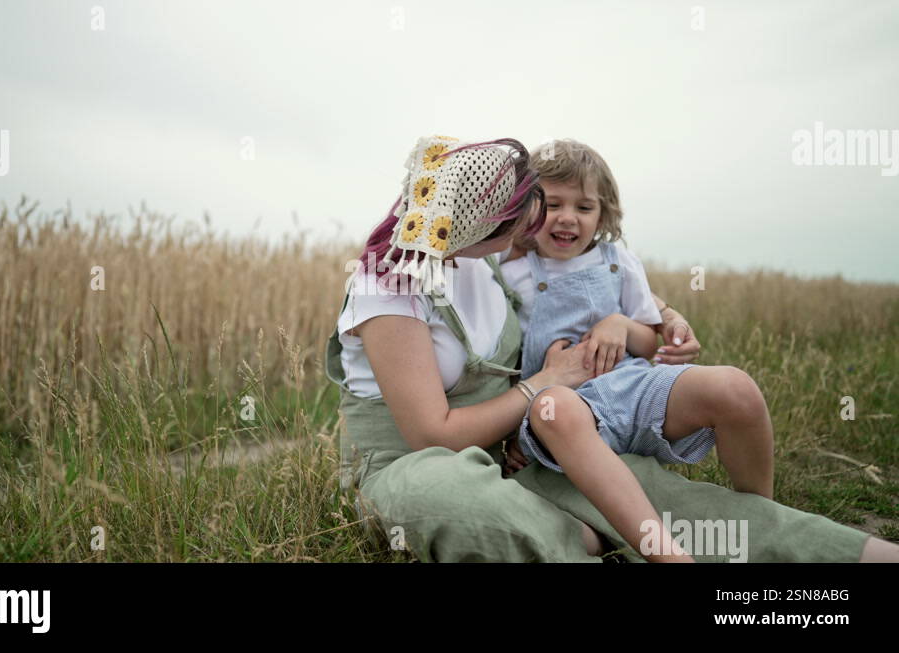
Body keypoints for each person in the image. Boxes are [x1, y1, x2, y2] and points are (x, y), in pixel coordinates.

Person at [324, 134, 897, 562]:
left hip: (520, 447)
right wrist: (541, 387)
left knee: (658, 494)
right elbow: (434, 435)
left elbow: (597, 277)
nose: (538, 229)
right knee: (464, 505)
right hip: (420, 461)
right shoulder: (390, 285)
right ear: (480, 228)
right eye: (520, 224)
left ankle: (854, 554)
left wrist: (665, 316)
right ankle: (581, 536)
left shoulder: (485, 258)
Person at [498, 139, 773, 562]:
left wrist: (621, 324)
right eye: (552, 204)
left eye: (584, 207)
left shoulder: (619, 263)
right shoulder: (512, 272)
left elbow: (648, 341)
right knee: (557, 408)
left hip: (631, 389)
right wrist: (511, 432)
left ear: (604, 214)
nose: (567, 218)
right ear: (528, 207)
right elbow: (506, 364)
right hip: (561, 409)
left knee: (735, 388)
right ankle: (659, 551)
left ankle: (765, 524)